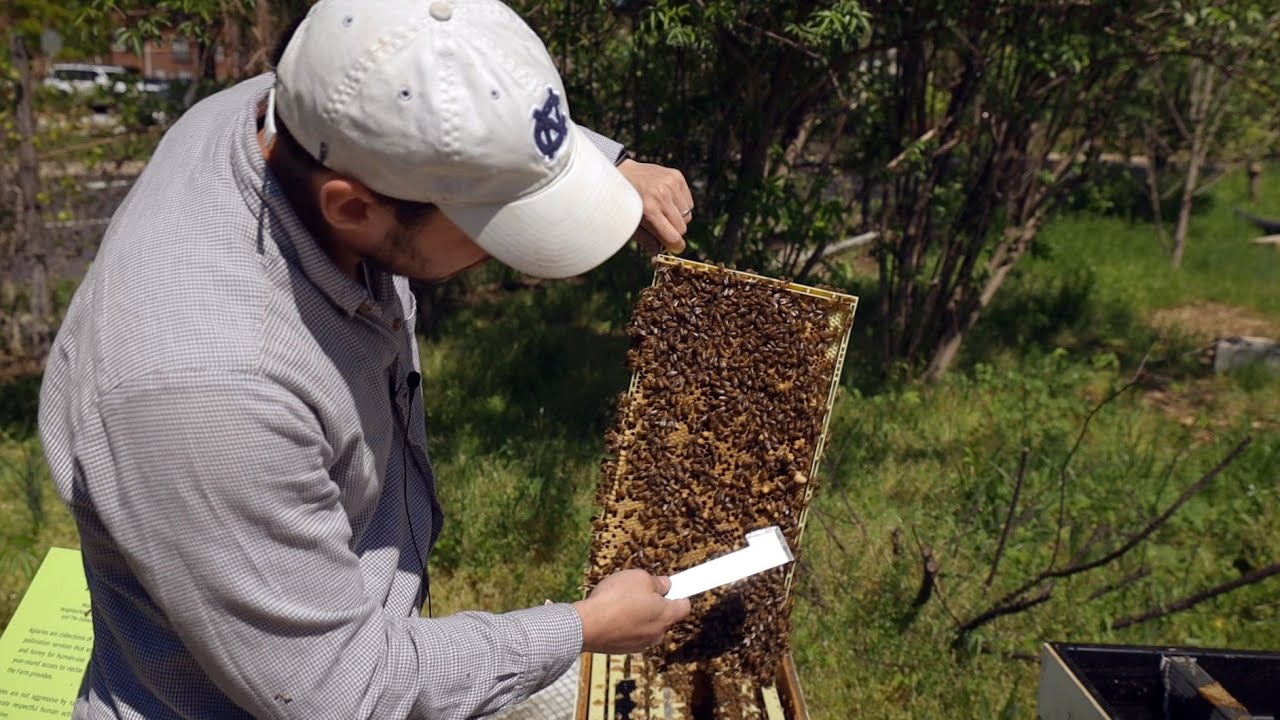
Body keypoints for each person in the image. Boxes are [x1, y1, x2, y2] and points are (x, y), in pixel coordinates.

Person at [37, 1, 695, 717]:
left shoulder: (289, 115)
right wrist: (580, 627)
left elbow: (421, 88)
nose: (506, 255)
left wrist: (598, 165)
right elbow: (342, 691)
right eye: (492, 228)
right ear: (351, 208)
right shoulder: (212, 395)